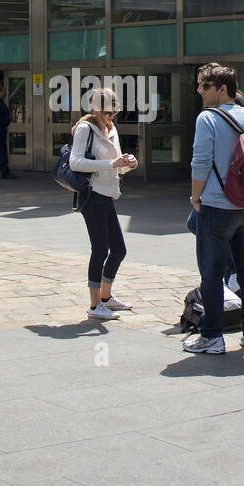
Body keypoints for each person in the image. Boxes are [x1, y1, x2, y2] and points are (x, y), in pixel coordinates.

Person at [184, 64, 244, 354]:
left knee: (211, 271)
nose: (199, 90)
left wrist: (196, 197)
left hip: (217, 206)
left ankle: (212, 336)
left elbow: (201, 162)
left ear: (222, 89)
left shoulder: (207, 118)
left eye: (204, 86)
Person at [69, 86, 139, 321]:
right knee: (100, 249)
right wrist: (111, 164)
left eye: (115, 111)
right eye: (108, 111)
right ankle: (94, 304)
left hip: (109, 194)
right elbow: (75, 163)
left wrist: (128, 164)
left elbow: (116, 164)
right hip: (93, 196)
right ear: (95, 108)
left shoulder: (111, 128)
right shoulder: (85, 129)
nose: (112, 115)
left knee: (119, 249)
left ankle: (107, 297)